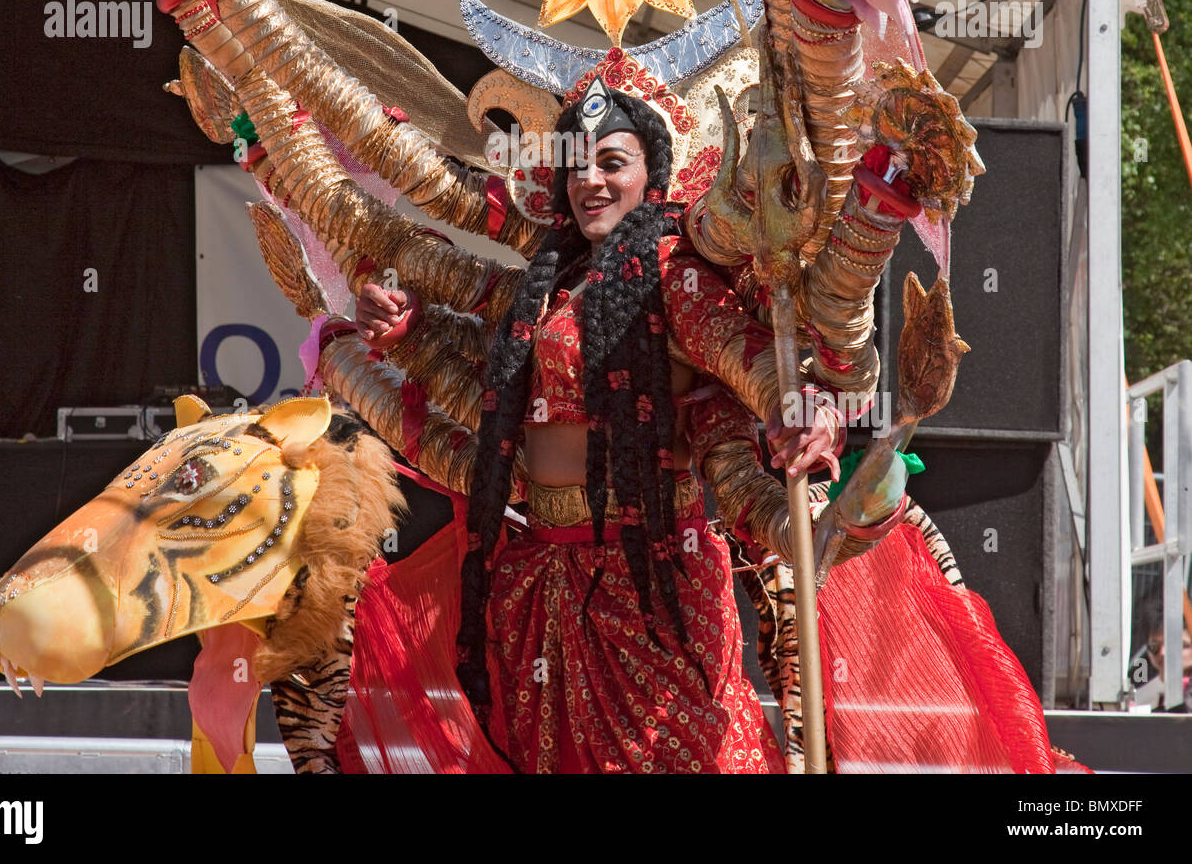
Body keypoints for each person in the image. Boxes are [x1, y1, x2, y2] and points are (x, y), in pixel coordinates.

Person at [356, 78, 901, 773]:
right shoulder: (548, 281)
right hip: (543, 582)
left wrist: (802, 412)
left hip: (650, 591)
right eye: (577, 163)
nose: (591, 180)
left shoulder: (675, 277)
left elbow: (746, 358)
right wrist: (403, 324)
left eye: (612, 163)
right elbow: (473, 335)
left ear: (653, 177)